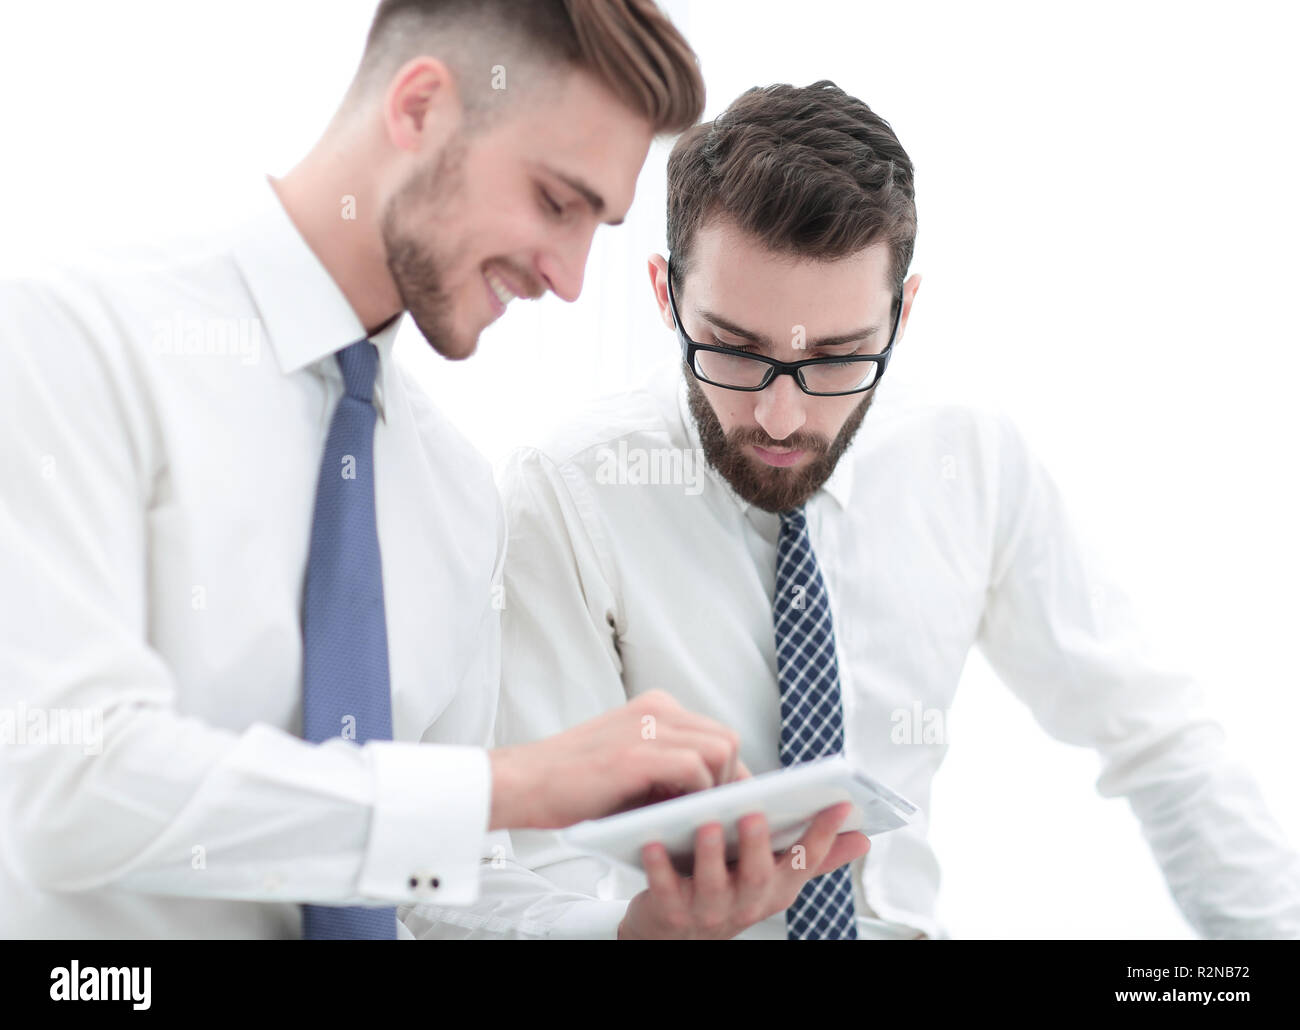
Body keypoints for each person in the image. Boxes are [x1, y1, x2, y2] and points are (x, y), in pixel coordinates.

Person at [402, 80, 1300, 940]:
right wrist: (640, 934)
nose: (782, 417)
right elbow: (525, 881)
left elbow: (1157, 736)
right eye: (733, 349)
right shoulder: (565, 496)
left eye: (837, 357)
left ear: (902, 316)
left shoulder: (969, 459)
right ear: (665, 294)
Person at [0, 0, 813, 940]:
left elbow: (442, 899)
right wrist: (515, 784)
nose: (569, 276)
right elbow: (63, 792)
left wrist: (636, 935)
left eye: (599, 224)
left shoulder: (458, 500)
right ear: (420, 107)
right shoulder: (68, 344)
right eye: (558, 200)